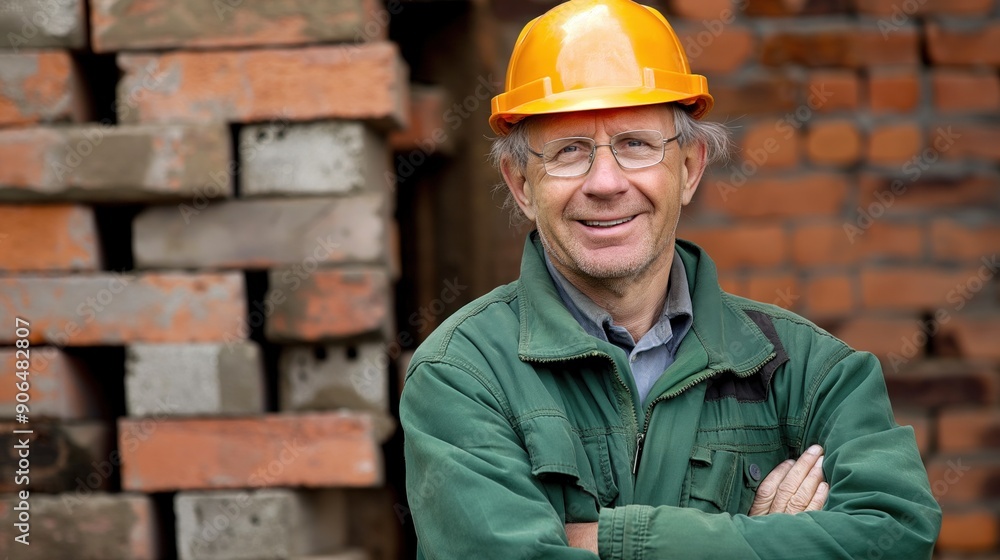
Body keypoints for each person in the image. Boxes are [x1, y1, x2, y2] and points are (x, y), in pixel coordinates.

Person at [399, 0, 941, 558]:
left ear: (689, 167)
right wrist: (765, 542)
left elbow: (898, 535)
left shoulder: (811, 372)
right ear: (520, 183)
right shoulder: (463, 374)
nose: (605, 182)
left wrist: (616, 541)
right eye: (569, 151)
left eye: (636, 144)